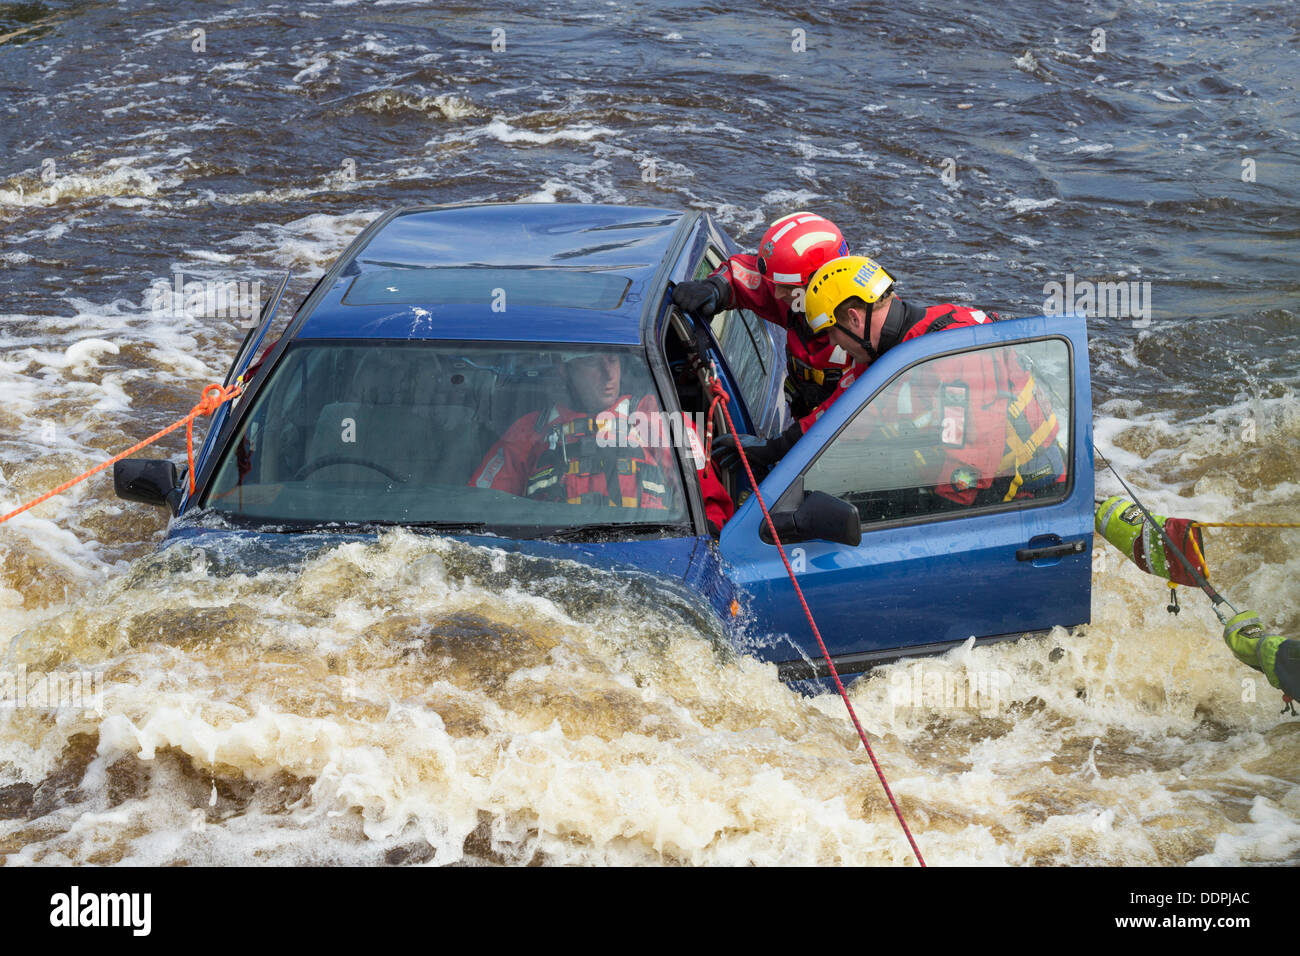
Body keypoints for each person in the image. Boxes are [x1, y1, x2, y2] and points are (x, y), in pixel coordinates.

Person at [714, 255, 1064, 507]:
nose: (832, 344)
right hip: (983, 483)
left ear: (853, 317)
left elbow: (966, 478)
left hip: (1027, 501)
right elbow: (840, 414)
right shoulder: (890, 349)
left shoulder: (954, 357)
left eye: (832, 333)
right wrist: (773, 449)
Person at [469, 352, 734, 534]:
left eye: (613, 361)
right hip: (553, 557)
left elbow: (710, 510)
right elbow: (481, 507)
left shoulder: (662, 420)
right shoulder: (530, 430)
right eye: (593, 363)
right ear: (565, 369)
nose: (609, 374)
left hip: (653, 555)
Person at [670, 211, 852, 416]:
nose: (776, 293)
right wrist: (715, 287)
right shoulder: (798, 300)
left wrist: (779, 446)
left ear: (820, 285)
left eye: (786, 287)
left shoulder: (872, 338)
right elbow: (743, 276)